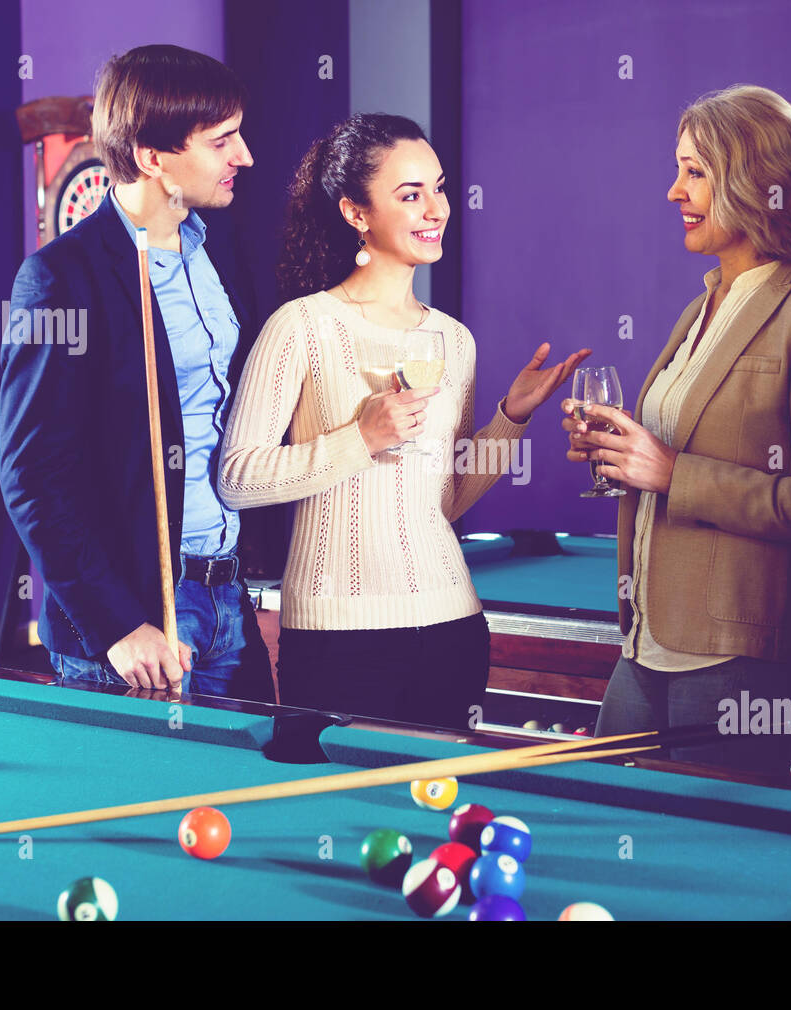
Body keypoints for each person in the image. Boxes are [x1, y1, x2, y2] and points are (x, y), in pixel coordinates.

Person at [217, 113, 587, 727]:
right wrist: (360, 438)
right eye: (410, 195)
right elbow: (238, 477)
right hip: (338, 636)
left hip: (453, 627)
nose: (436, 208)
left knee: (443, 817)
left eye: (438, 188)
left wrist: (511, 419)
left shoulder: (453, 339)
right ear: (357, 214)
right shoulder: (302, 326)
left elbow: (447, 499)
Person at [563, 86, 791, 773]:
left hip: (745, 655)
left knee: (704, 859)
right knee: (607, 822)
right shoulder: (701, 307)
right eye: (678, 170)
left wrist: (672, 472)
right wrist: (619, 448)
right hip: (647, 639)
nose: (674, 191)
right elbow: (676, 448)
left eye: (695, 172)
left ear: (759, 185)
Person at [0, 44, 274, 701]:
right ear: (154, 158)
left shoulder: (222, 251)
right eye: (223, 141)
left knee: (249, 800)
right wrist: (120, 625)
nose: (245, 157)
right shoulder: (62, 277)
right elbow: (32, 476)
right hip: (138, 622)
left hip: (227, 597)